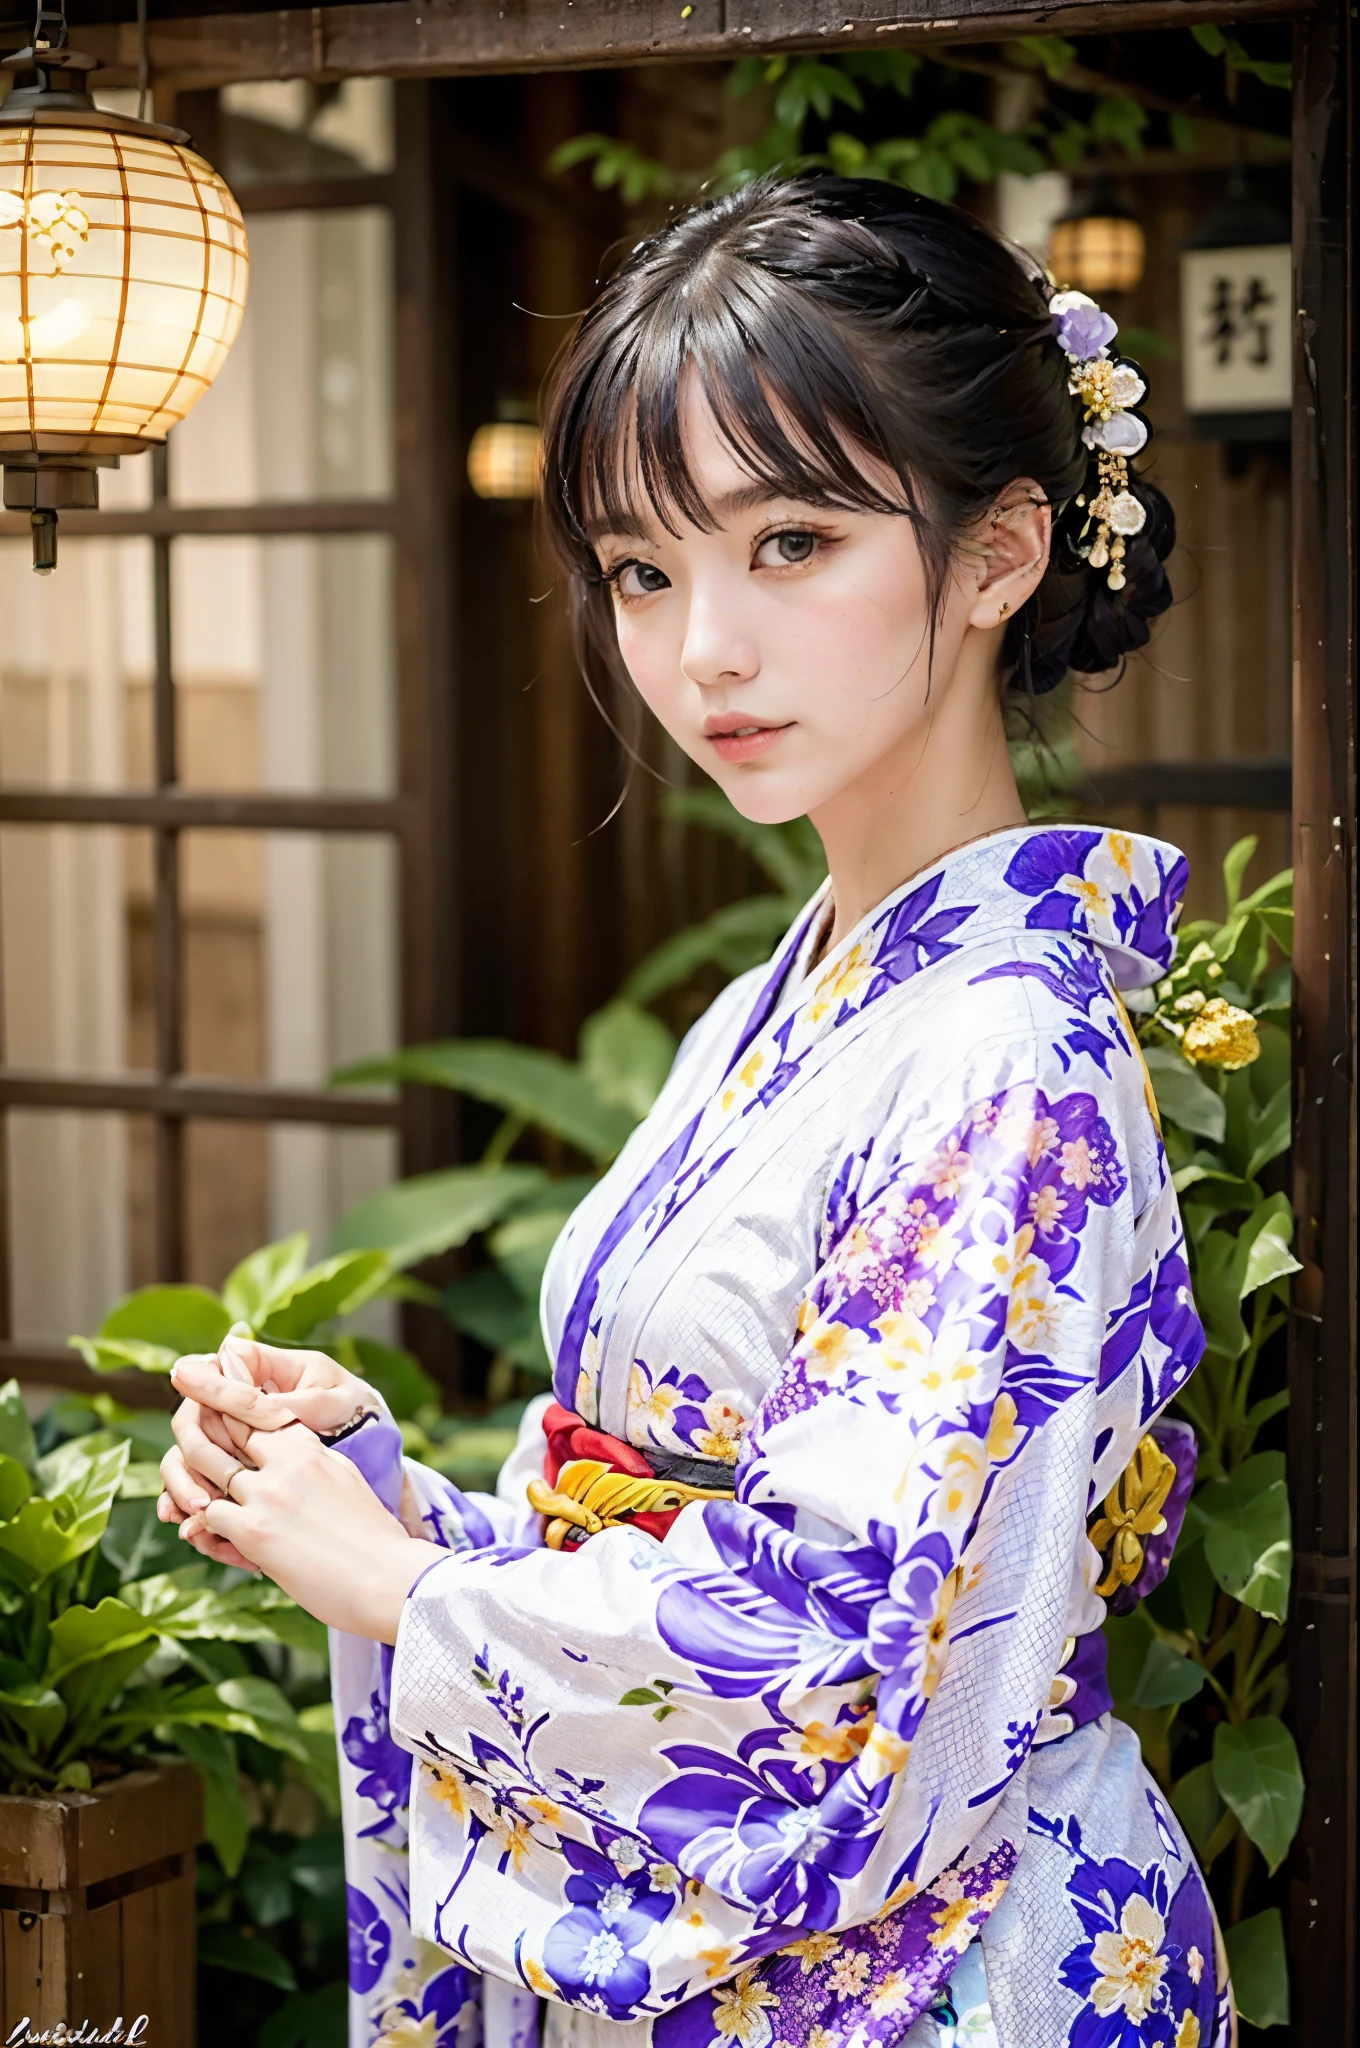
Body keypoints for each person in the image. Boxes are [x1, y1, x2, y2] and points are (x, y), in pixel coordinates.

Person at [159, 176, 1231, 2048]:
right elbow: (678, 1522)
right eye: (645, 571)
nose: (700, 650)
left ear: (999, 553)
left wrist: (402, 1588)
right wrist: (364, 1488)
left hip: (939, 1961)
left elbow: (835, 1670)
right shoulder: (787, 996)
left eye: (793, 542)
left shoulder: (1002, 1058)